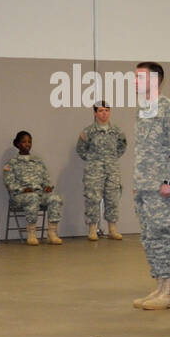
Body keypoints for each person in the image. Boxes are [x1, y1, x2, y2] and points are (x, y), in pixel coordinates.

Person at [131, 62, 170, 311]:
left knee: (162, 235)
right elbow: (143, 150)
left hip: (161, 185)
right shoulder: (143, 109)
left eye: (139, 77)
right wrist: (138, 181)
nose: (134, 81)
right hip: (145, 185)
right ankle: (160, 285)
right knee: (149, 237)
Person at [76, 100, 126, 240]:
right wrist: (93, 160)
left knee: (112, 198)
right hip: (94, 171)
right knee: (92, 199)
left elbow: (122, 147)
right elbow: (80, 149)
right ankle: (92, 229)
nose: (104, 113)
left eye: (107, 110)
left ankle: (112, 229)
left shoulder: (116, 131)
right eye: (101, 111)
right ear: (95, 113)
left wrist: (110, 159)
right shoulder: (88, 131)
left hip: (112, 170)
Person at [3, 131, 64, 246]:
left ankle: (52, 234)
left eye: (29, 142)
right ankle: (31, 234)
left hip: (39, 194)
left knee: (55, 198)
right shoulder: (12, 163)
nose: (27, 144)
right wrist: (22, 189)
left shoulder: (38, 161)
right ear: (17, 144)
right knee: (33, 197)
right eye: (24, 142)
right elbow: (9, 183)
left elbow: (47, 179)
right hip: (20, 197)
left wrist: (47, 187)